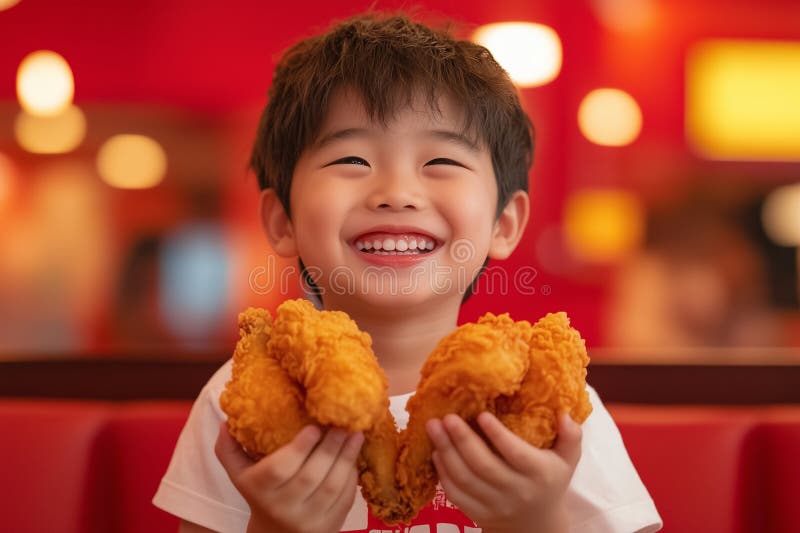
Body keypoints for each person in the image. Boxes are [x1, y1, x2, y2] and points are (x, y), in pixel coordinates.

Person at [153, 12, 662, 533]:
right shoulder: (238, 397)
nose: (396, 192)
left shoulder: (554, 402)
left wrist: (536, 521)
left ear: (503, 224)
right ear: (282, 221)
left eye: (441, 160)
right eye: (351, 159)